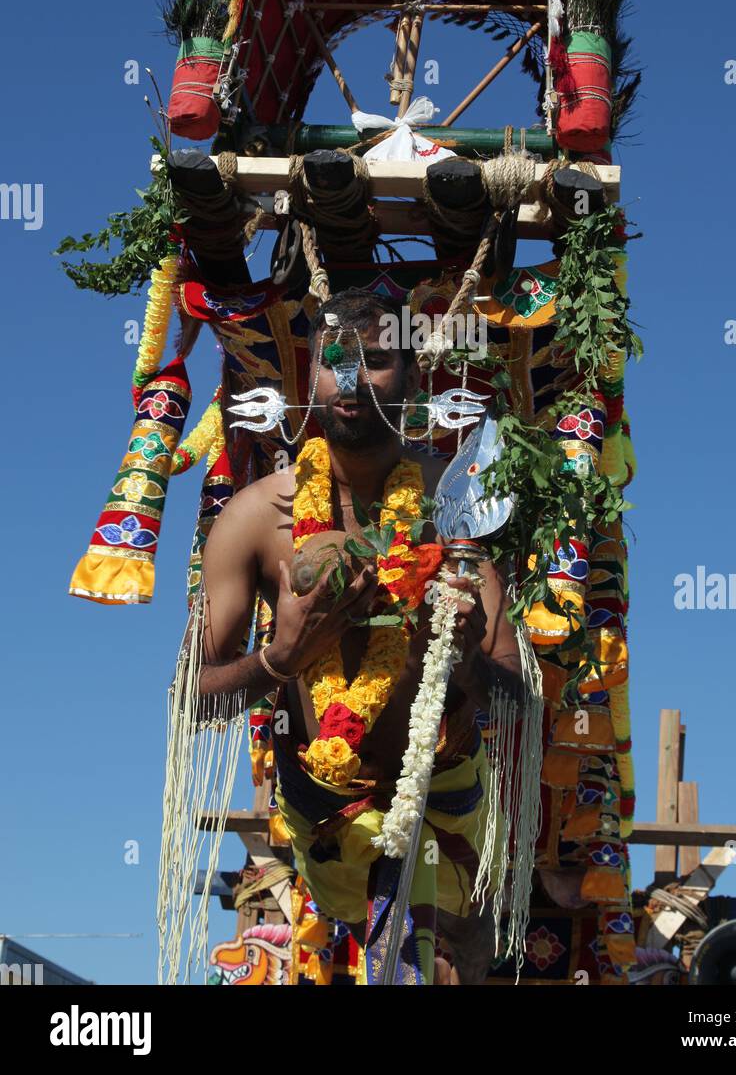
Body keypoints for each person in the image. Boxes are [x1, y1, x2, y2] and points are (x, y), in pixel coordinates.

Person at [196, 288, 524, 985]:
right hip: (321, 806)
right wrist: (280, 658)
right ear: (309, 379)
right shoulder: (257, 519)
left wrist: (463, 664)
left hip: (442, 797)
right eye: (335, 361)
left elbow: (519, 693)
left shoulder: (454, 507)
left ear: (411, 379)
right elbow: (192, 696)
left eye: (375, 361)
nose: (350, 381)